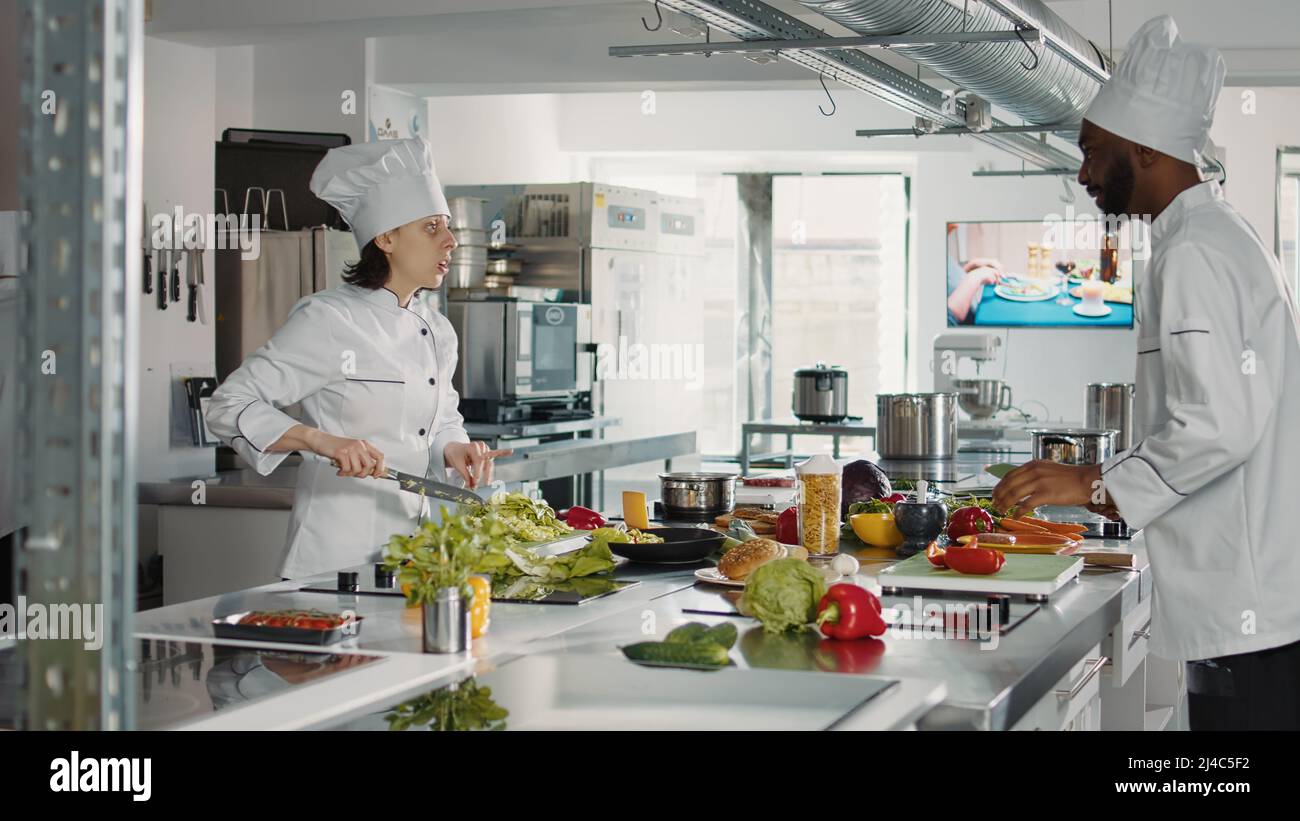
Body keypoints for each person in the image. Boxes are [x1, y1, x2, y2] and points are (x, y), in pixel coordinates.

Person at [992, 16, 1300, 730]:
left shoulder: (1194, 252)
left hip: (1249, 618)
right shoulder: (1217, 235)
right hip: (1257, 609)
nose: (1083, 174)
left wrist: (1095, 484)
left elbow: (1218, 424)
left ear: (1143, 147)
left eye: (1092, 153)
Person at [206, 137, 508, 579]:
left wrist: (454, 447)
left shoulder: (437, 330)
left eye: (447, 226)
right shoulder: (329, 318)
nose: (451, 242)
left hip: (415, 559)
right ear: (385, 237)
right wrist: (320, 441)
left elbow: (439, 419)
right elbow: (226, 406)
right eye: (431, 227)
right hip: (333, 564)